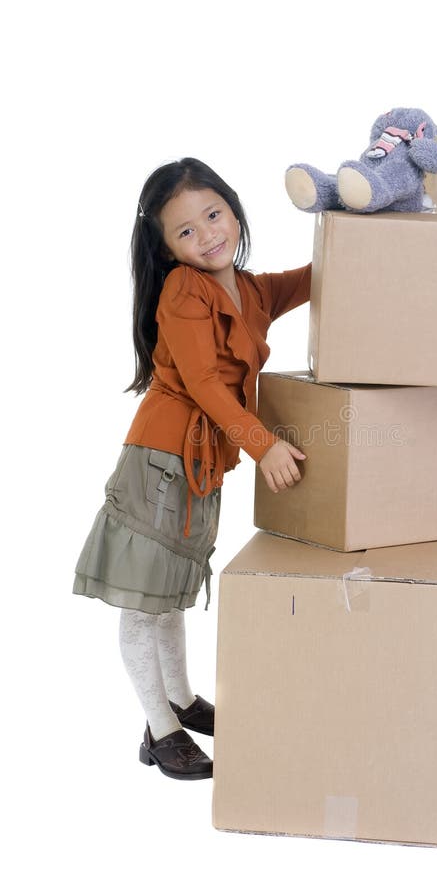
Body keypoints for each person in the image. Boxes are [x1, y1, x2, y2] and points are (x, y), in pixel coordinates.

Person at [73, 157, 311, 781]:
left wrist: (358, 229)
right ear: (169, 249)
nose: (207, 235)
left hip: (199, 465)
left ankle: (180, 699)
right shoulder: (184, 290)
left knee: (171, 596)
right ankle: (159, 730)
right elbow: (205, 383)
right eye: (186, 231)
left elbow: (311, 279)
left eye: (213, 215)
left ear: (233, 207)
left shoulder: (250, 288)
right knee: (144, 605)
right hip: (160, 461)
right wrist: (264, 446)